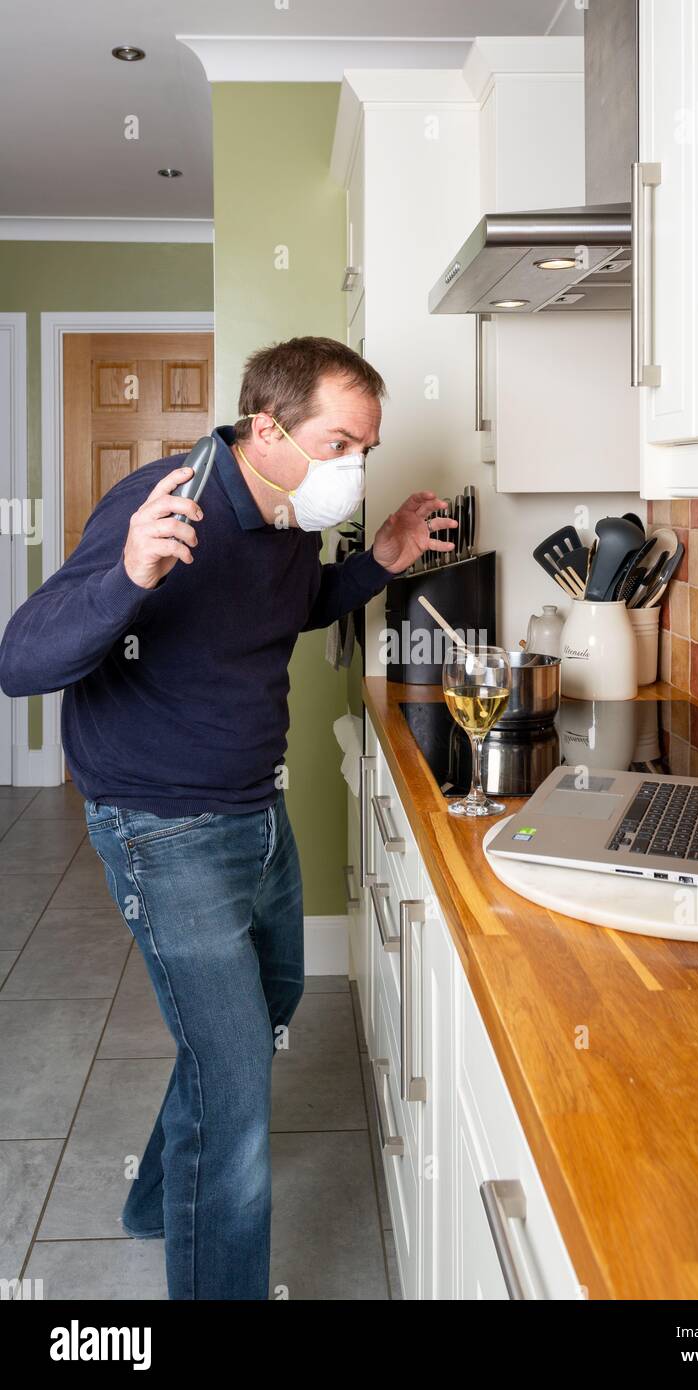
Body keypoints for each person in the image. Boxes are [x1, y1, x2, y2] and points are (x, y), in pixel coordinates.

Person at [0, 335, 456, 1300]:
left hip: (252, 805)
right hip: (161, 823)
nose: (358, 467)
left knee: (271, 1004)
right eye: (342, 443)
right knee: (238, 1079)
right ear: (267, 427)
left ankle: (154, 1197)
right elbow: (21, 662)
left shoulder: (288, 516)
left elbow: (283, 609)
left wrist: (378, 562)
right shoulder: (165, 502)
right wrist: (127, 576)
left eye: (367, 448)